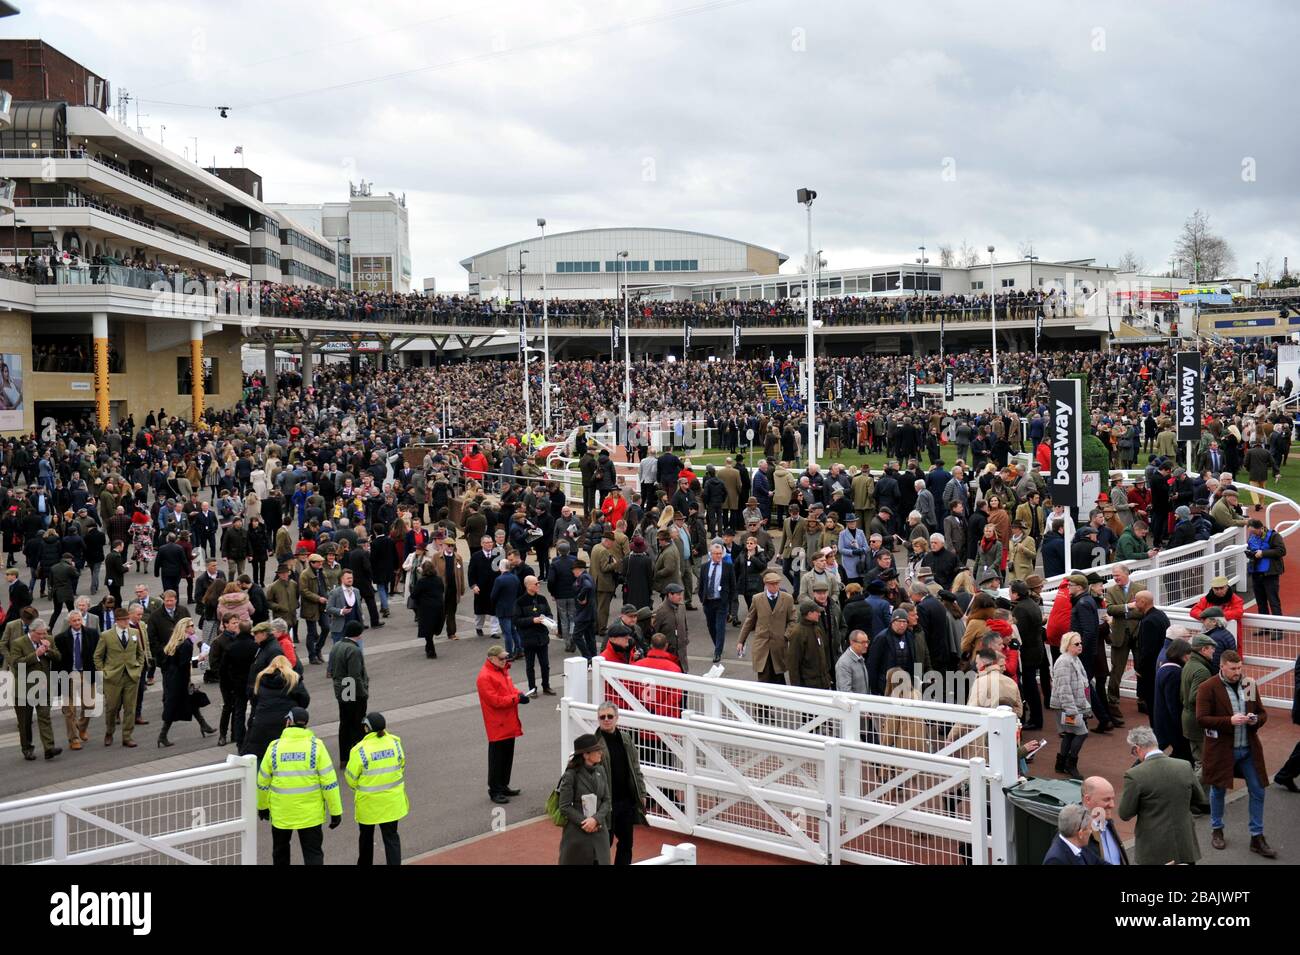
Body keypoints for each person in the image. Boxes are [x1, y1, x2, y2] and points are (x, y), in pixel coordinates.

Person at [1197, 650, 1276, 857]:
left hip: (1248, 749)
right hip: (1222, 751)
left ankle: (1257, 836)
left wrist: (1255, 720)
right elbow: (1202, 719)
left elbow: (1262, 712)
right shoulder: (1208, 687)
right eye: (1233, 668)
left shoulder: (1248, 684)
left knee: (1258, 790)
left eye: (1240, 668)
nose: (1237, 672)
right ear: (1222, 666)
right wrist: (1228, 721)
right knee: (1218, 790)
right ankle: (1217, 829)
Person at [256, 707, 342, 866]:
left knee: (280, 853)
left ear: (289, 722)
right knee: (313, 854)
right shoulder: (317, 747)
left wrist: (262, 807)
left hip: (282, 814)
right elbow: (330, 783)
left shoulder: (274, 747)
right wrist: (336, 812)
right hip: (310, 815)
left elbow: (262, 782)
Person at [1117, 725, 1209, 865]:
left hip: (1154, 848)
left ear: (1137, 748)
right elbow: (1200, 799)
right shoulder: (1184, 766)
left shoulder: (1134, 775)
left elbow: (1125, 813)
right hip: (1184, 842)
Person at [345, 711, 408, 866]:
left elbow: (350, 778)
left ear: (367, 728)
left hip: (369, 805)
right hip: (392, 803)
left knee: (366, 839)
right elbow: (401, 765)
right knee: (391, 838)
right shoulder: (395, 742)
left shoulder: (359, 750)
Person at [593, 701, 647, 865]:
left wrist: (642, 793)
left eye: (610, 716)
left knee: (626, 844)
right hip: (605, 805)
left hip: (625, 802)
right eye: (602, 717)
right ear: (598, 719)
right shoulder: (593, 744)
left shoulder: (626, 738)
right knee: (602, 846)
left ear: (617, 718)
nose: (606, 719)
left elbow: (635, 767)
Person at [477, 644, 528, 804]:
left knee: (507, 756)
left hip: (507, 720)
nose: (505, 660)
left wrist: (519, 694)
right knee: (497, 758)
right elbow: (495, 701)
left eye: (505, 657)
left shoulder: (502, 671)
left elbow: (510, 689)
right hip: (497, 723)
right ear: (492, 659)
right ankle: (495, 789)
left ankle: (503, 785)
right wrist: (517, 698)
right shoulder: (485, 677)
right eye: (501, 658)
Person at [157, 617, 216, 746]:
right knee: (174, 708)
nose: (193, 627)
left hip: (171, 678)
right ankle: (162, 735)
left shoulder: (175, 642)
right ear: (185, 628)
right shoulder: (186, 644)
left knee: (192, 702)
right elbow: (184, 665)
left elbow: (170, 662)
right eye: (191, 625)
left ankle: (204, 725)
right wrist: (199, 659)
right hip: (179, 680)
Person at [94, 611, 147, 749]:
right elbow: (97, 656)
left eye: (127, 619)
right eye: (123, 620)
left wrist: (139, 669)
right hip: (112, 677)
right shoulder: (106, 635)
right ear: (116, 621)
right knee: (112, 708)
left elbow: (140, 653)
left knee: (130, 708)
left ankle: (127, 736)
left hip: (131, 675)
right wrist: (103, 672)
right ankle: (109, 732)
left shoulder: (134, 633)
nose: (125, 622)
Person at [557, 733, 612, 865]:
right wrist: (586, 822)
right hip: (578, 835)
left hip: (599, 832)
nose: (600, 752)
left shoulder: (601, 770)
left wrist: (595, 819)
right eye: (596, 750)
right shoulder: (570, 775)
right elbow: (564, 806)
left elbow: (607, 800)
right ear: (586, 755)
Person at [242, 655, 311, 761]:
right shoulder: (293, 679)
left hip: (263, 722)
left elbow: (254, 700)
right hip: (286, 721)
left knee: (262, 755)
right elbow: (305, 700)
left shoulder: (261, 679)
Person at [12, 618, 62, 760]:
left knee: (45, 717)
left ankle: (49, 748)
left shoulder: (48, 639)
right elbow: (16, 663)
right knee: (25, 722)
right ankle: (27, 748)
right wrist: (36, 654)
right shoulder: (18, 643)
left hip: (43, 687)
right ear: (31, 631)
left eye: (44, 633)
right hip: (24, 689)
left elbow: (58, 657)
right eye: (40, 634)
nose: (43, 637)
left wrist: (47, 650)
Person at [737, 571, 795, 685]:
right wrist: (740, 641)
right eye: (772, 584)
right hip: (762, 645)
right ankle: (762, 703)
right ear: (766, 585)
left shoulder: (787, 599)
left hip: (779, 645)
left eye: (777, 584)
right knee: (763, 678)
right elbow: (749, 621)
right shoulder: (757, 599)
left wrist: (786, 636)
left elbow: (793, 620)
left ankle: (779, 703)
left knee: (779, 677)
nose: (775, 586)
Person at [53, 610, 98, 751]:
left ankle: (82, 726)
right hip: (68, 675)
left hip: (86, 673)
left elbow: (97, 654)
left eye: (79, 620)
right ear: (69, 622)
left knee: (90, 706)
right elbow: (57, 662)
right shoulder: (60, 638)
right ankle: (73, 739)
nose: (77, 623)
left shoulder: (92, 634)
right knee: (69, 710)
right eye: (74, 620)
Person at [1049, 631, 1091, 779]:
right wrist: (1072, 710)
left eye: (1081, 643)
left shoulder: (1074, 659)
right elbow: (1063, 688)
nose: (1080, 646)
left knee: (1070, 733)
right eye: (1076, 644)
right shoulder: (1064, 662)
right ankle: (1070, 764)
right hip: (1066, 707)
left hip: (1072, 705)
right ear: (1067, 646)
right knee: (1081, 733)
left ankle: (1060, 764)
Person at [329, 620, 369, 768]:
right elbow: (355, 676)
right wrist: (363, 693)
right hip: (352, 690)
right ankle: (357, 758)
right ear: (358, 634)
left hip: (342, 688)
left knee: (345, 723)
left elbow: (332, 670)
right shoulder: (354, 650)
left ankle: (344, 758)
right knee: (357, 724)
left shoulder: (337, 646)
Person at [515, 575, 556, 697]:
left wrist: (548, 620)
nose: (538, 585)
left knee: (545, 664)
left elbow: (549, 614)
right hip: (529, 638)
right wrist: (532, 620)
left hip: (542, 637)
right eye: (536, 584)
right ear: (528, 586)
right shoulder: (520, 602)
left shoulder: (542, 599)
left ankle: (546, 686)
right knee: (530, 665)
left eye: (538, 583)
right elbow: (517, 621)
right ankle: (532, 688)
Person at [1154, 637, 1193, 762]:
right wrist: (1181, 726)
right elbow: (1174, 704)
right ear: (1182, 655)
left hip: (1162, 719)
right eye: (1188, 655)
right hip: (1171, 723)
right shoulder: (1174, 673)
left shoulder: (1165, 667)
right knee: (1182, 754)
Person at [699, 542, 735, 664]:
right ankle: (717, 645)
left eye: (720, 554)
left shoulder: (728, 567)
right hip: (708, 602)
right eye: (716, 554)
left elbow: (732, 586)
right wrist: (701, 599)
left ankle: (717, 652)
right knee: (711, 626)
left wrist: (728, 603)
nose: (719, 556)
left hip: (721, 602)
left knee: (720, 628)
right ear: (711, 554)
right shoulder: (704, 567)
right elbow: (701, 584)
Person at [1080, 776, 1127, 865]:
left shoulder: (1108, 823)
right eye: (1106, 799)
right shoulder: (1078, 834)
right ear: (1088, 799)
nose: (1112, 805)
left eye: (1112, 799)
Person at [1246, 518, 1285, 616]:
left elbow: (1281, 551)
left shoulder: (1274, 536)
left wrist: (1263, 553)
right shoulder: (1252, 536)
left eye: (1254, 532)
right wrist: (1251, 554)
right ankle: (1264, 630)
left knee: (1273, 602)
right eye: (1251, 532)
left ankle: (1278, 629)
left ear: (1261, 528)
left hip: (1270, 574)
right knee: (1260, 602)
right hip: (1256, 573)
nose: (1253, 534)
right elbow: (1251, 548)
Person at [411, 560, 446, 659]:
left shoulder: (422, 581)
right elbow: (442, 589)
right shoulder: (438, 579)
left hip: (426, 608)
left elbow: (414, 594)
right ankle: (429, 648)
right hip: (438, 606)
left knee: (427, 630)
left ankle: (431, 650)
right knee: (433, 628)